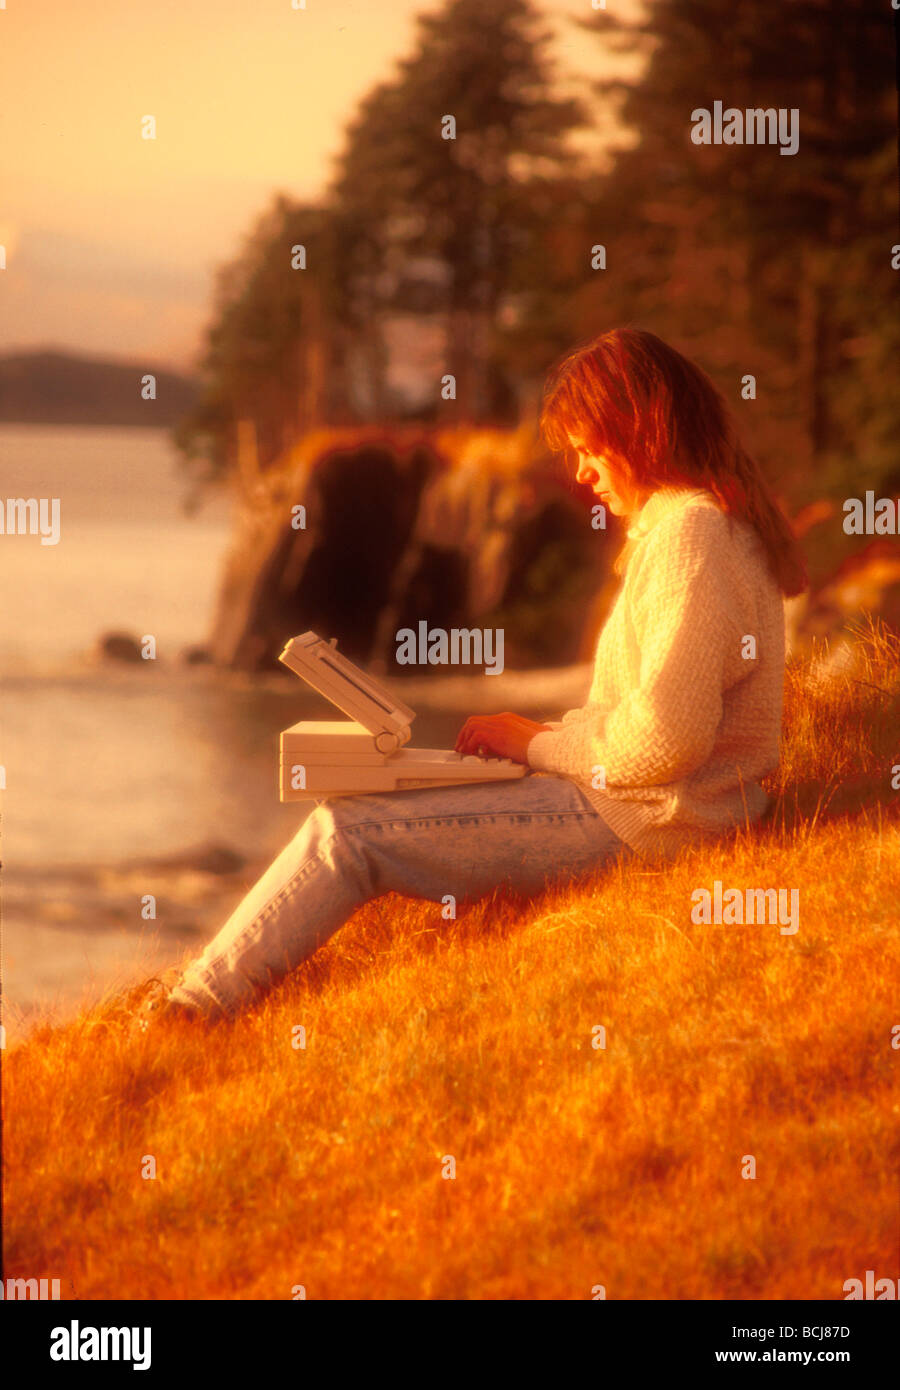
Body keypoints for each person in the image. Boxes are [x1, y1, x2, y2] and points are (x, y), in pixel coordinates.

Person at [134, 326, 807, 1030]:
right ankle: (201, 997)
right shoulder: (712, 525)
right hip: (665, 813)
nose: (580, 473)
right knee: (390, 794)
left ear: (638, 430)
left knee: (347, 832)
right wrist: (541, 740)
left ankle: (187, 1015)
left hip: (654, 826)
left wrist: (535, 746)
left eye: (587, 448)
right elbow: (651, 723)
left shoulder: (689, 536)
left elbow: (665, 743)